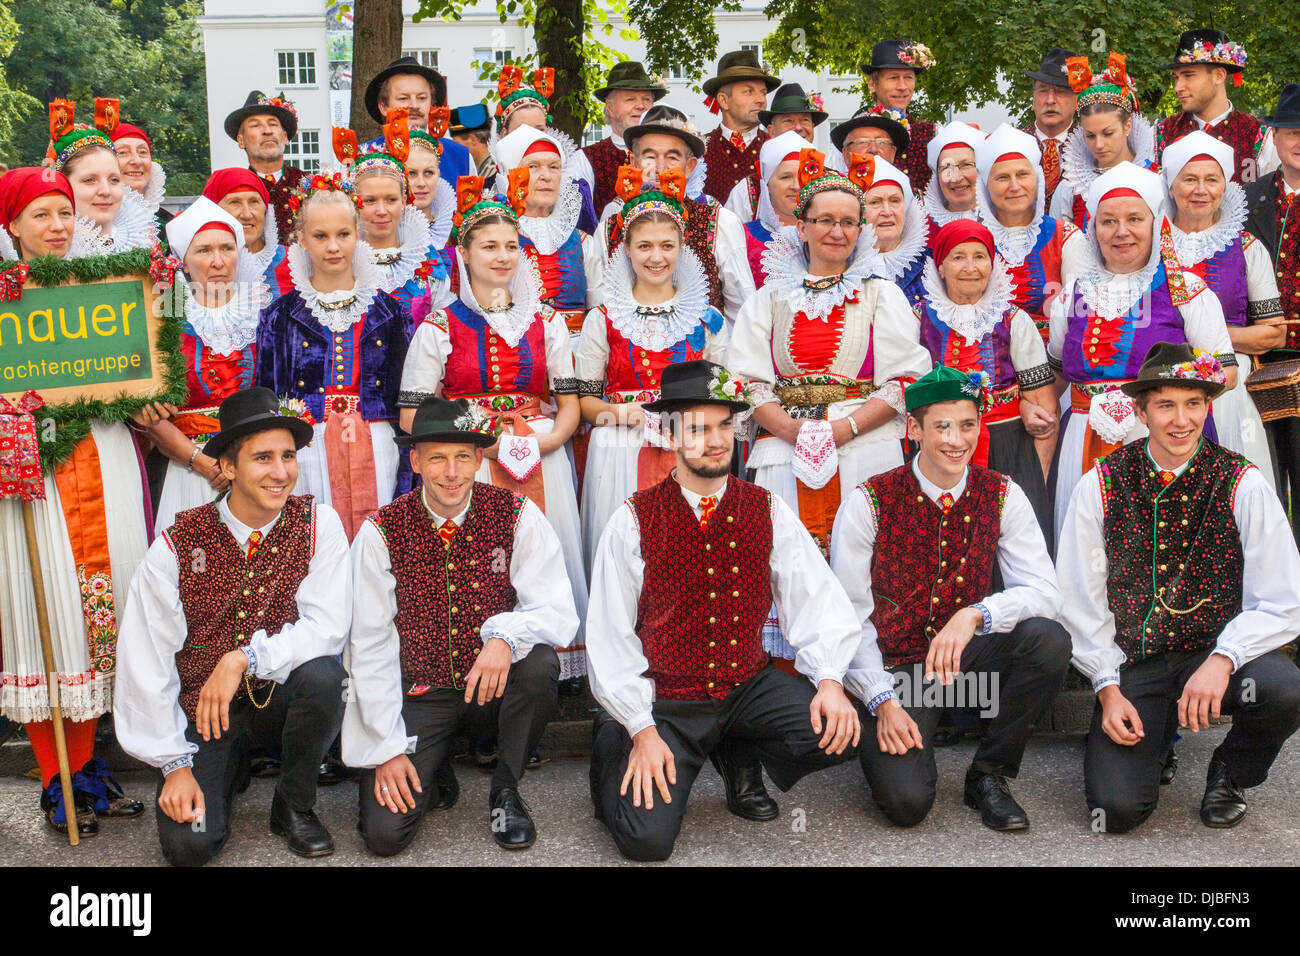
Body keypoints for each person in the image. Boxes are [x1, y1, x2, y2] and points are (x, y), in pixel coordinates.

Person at [587, 360, 863, 861]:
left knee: (844, 727)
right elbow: (609, 634)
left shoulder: (767, 507)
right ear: (671, 435)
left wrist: (828, 680)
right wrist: (639, 727)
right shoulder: (633, 520)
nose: (715, 441)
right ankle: (613, 744)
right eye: (698, 429)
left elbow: (817, 599)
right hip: (668, 699)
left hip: (745, 686)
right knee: (647, 842)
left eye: (723, 426)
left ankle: (740, 753)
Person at [1057, 342, 1300, 833]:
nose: (1181, 419)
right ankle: (1155, 734)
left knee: (1283, 688)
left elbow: (1282, 596)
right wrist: (1105, 688)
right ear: (1142, 411)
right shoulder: (1100, 483)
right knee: (1118, 813)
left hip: (1213, 656)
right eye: (1166, 404)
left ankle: (1230, 773)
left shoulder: (1242, 483)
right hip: (1135, 663)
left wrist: (1224, 657)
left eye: (1193, 403)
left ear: (1208, 408)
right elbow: (1078, 598)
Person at [115, 387, 349, 864]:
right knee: (190, 847)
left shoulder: (319, 525)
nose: (281, 472)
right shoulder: (176, 546)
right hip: (204, 715)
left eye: (288, 456)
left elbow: (327, 626)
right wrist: (174, 765)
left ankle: (294, 806)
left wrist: (244, 657)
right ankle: (225, 767)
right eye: (262, 457)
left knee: (325, 675)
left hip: (278, 698)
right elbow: (146, 659)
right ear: (226, 467)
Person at [831, 364, 1068, 830]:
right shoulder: (869, 501)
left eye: (967, 425)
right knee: (906, 805)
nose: (957, 440)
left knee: (1049, 639)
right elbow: (848, 618)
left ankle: (990, 774)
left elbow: (1044, 592)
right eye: (942, 426)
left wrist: (976, 615)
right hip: (897, 672)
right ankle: (896, 729)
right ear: (914, 429)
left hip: (965, 660)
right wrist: (883, 701)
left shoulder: (1001, 494)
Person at [343, 396, 578, 854]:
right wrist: (386, 747)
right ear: (415, 461)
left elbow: (557, 611)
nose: (451, 472)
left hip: (493, 691)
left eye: (463, 457)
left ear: (478, 459)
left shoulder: (516, 514)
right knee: (383, 836)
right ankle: (434, 766)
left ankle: (506, 790)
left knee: (540, 663)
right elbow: (367, 642)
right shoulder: (381, 531)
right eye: (437, 458)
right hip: (421, 694)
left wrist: (504, 636)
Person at [0, 166, 153, 836]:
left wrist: (152, 378)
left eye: (65, 213)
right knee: (48, 618)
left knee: (106, 613)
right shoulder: (5, 298)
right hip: (38, 470)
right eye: (43, 216)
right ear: (13, 226)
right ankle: (59, 776)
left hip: (107, 453)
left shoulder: (108, 287)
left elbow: (144, 369)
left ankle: (90, 766)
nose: (59, 227)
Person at [398, 178, 588, 682]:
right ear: (464, 253)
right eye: (488, 246)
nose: (502, 256)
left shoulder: (547, 322)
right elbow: (411, 416)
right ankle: (472, 662)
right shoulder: (439, 326)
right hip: (473, 460)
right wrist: (482, 443)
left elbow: (568, 406)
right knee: (481, 564)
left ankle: (547, 671)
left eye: (510, 246)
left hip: (541, 453)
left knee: (542, 553)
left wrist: (543, 442)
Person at [728, 150, 931, 557]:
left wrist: (843, 430)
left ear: (861, 230)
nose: (836, 232)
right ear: (801, 227)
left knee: (862, 560)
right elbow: (747, 382)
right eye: (825, 221)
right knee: (789, 562)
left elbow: (904, 380)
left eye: (848, 222)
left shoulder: (881, 296)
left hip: (863, 449)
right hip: (783, 452)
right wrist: (794, 433)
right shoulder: (768, 300)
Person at [1048, 162, 1235, 538]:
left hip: (1161, 436)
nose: (1121, 232)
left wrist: (1169, 394)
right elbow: (1055, 376)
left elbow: (1226, 373)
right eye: (1107, 221)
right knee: (1088, 548)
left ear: (1156, 224)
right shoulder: (1073, 295)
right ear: (1093, 228)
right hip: (1082, 436)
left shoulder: (1186, 289)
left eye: (1135, 218)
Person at [575, 175, 728, 571]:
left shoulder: (707, 319)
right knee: (626, 561)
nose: (655, 257)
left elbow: (725, 394)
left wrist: (681, 423)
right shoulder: (603, 319)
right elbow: (588, 404)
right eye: (644, 246)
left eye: (666, 246)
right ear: (625, 249)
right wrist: (634, 416)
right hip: (619, 451)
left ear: (682, 248)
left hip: (689, 448)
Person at [255, 174, 412, 541]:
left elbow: (406, 397)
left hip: (377, 444)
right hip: (308, 447)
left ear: (358, 235)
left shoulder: (389, 312)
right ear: (302, 240)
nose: (333, 247)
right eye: (320, 236)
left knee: (376, 545)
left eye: (343, 234)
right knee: (317, 543)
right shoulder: (280, 315)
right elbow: (267, 395)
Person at [917, 220, 1058, 543]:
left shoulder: (1014, 320)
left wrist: (1038, 476)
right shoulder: (918, 319)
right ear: (940, 266)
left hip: (1010, 448)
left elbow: (1044, 408)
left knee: (1011, 542)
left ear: (992, 265)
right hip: (940, 450)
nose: (970, 267)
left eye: (980, 257)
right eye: (957, 257)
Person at [1164, 131, 1284, 484]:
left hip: (1230, 390)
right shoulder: (1152, 246)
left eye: (1211, 180)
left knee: (1234, 491)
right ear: (1171, 186)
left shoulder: (1246, 247)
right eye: (1189, 179)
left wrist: (1211, 337)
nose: (1201, 189)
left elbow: (1273, 333)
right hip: (1163, 387)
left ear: (1225, 187)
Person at [146, 198, 272, 532]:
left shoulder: (262, 311)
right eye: (203, 250)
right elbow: (151, 413)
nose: (218, 261)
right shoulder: (167, 313)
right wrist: (201, 463)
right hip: (188, 469)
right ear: (183, 262)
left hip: (256, 466)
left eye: (227, 248)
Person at [597, 105, 757, 330]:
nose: (660, 168)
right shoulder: (610, 227)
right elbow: (599, 309)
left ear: (689, 166)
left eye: (672, 157)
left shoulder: (720, 222)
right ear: (633, 163)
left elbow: (742, 311)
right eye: (650, 156)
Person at [1243, 83, 1300, 546]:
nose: (1299, 140)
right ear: (1274, 137)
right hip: (1258, 355)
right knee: (1262, 472)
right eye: (1290, 130)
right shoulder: (1248, 198)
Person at [975, 123, 1087, 345]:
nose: (1015, 186)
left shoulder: (1066, 238)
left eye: (1023, 174)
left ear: (1037, 180)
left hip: (1054, 363)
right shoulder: (972, 240)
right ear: (986, 185)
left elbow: (1079, 316)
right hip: (989, 364)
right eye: (1003, 177)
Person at [494, 124, 604, 341]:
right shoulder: (495, 239)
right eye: (533, 166)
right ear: (511, 173)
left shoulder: (582, 242)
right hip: (519, 356)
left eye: (554, 167)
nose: (546, 176)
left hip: (575, 358)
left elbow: (600, 311)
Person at [342, 119, 451, 315]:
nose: (381, 210)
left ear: (404, 200)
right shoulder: (340, 258)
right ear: (354, 202)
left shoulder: (426, 259)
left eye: (391, 200)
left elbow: (444, 326)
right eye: (370, 201)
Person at [488, 67, 599, 235]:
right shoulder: (490, 190)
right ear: (504, 133)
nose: (532, 137)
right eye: (522, 130)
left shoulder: (572, 195)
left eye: (539, 130)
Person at [1052, 54, 1156, 231]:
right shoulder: (1071, 188)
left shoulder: (1155, 179)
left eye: (1108, 133)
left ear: (1127, 126)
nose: (1098, 145)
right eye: (1090, 136)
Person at [50, 102, 156, 256]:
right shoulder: (49, 253)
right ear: (65, 186)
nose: (105, 191)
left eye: (114, 180)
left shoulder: (144, 245)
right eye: (89, 180)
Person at [1156, 29, 1261, 185]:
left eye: (1188, 75)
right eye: (1177, 78)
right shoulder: (1161, 133)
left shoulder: (1260, 135)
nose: (1178, 87)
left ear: (1219, 75)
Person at [725, 83, 832, 221]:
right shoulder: (748, 189)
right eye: (788, 120)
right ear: (771, 131)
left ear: (812, 127)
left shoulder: (832, 181)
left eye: (804, 120)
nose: (798, 127)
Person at [574, 61, 667, 213]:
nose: (641, 106)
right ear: (610, 108)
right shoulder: (585, 160)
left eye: (646, 99)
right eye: (630, 99)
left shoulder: (670, 155)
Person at [361, 56, 471, 183]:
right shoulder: (362, 157)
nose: (414, 105)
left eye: (422, 98)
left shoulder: (460, 156)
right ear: (383, 107)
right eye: (403, 98)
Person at [224, 91, 306, 246]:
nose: (267, 131)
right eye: (255, 125)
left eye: (273, 124)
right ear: (241, 141)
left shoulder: (310, 185)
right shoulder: (231, 190)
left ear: (285, 137)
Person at [700, 49, 780, 204]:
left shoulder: (776, 147)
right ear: (723, 100)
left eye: (763, 93)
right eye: (749, 92)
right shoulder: (700, 149)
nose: (761, 100)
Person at [203, 168, 293, 297]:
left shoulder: (296, 262)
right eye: (234, 202)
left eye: (254, 201)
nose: (246, 214)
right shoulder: (198, 267)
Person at [864, 39, 938, 192]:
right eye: (893, 78)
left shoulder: (933, 134)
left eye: (908, 77)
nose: (902, 87)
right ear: (872, 84)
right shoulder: (854, 135)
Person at [738, 129, 808, 287]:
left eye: (802, 177)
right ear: (767, 184)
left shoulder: (825, 234)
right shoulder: (743, 237)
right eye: (785, 177)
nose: (796, 186)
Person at [863, 156, 928, 309]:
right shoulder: (844, 265)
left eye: (894, 201)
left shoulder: (930, 265)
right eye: (875, 202)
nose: (887, 211)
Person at [1022, 48, 1079, 209]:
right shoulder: (1014, 143)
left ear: (1077, 101)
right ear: (1033, 100)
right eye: (1043, 91)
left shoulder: (1090, 145)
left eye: (1060, 91)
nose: (1050, 100)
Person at [110, 121, 171, 242]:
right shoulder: (93, 223)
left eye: (143, 152)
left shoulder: (170, 224)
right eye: (122, 152)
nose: (136, 161)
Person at [923, 121, 984, 235]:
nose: (956, 178)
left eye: (966, 165)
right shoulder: (922, 232)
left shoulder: (1003, 226)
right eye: (946, 167)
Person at [406, 126, 457, 250]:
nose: (421, 183)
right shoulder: (384, 232)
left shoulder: (454, 229)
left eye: (428, 173)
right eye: (411, 173)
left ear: (438, 175)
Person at [830, 105, 909, 171]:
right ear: (846, 154)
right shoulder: (833, 189)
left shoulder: (907, 189)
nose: (873, 149)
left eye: (881, 142)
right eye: (862, 142)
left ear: (893, 153)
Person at [449, 104, 497, 182]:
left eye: (457, 143)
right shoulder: (481, 170)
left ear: (473, 139)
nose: (455, 149)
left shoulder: (492, 175)